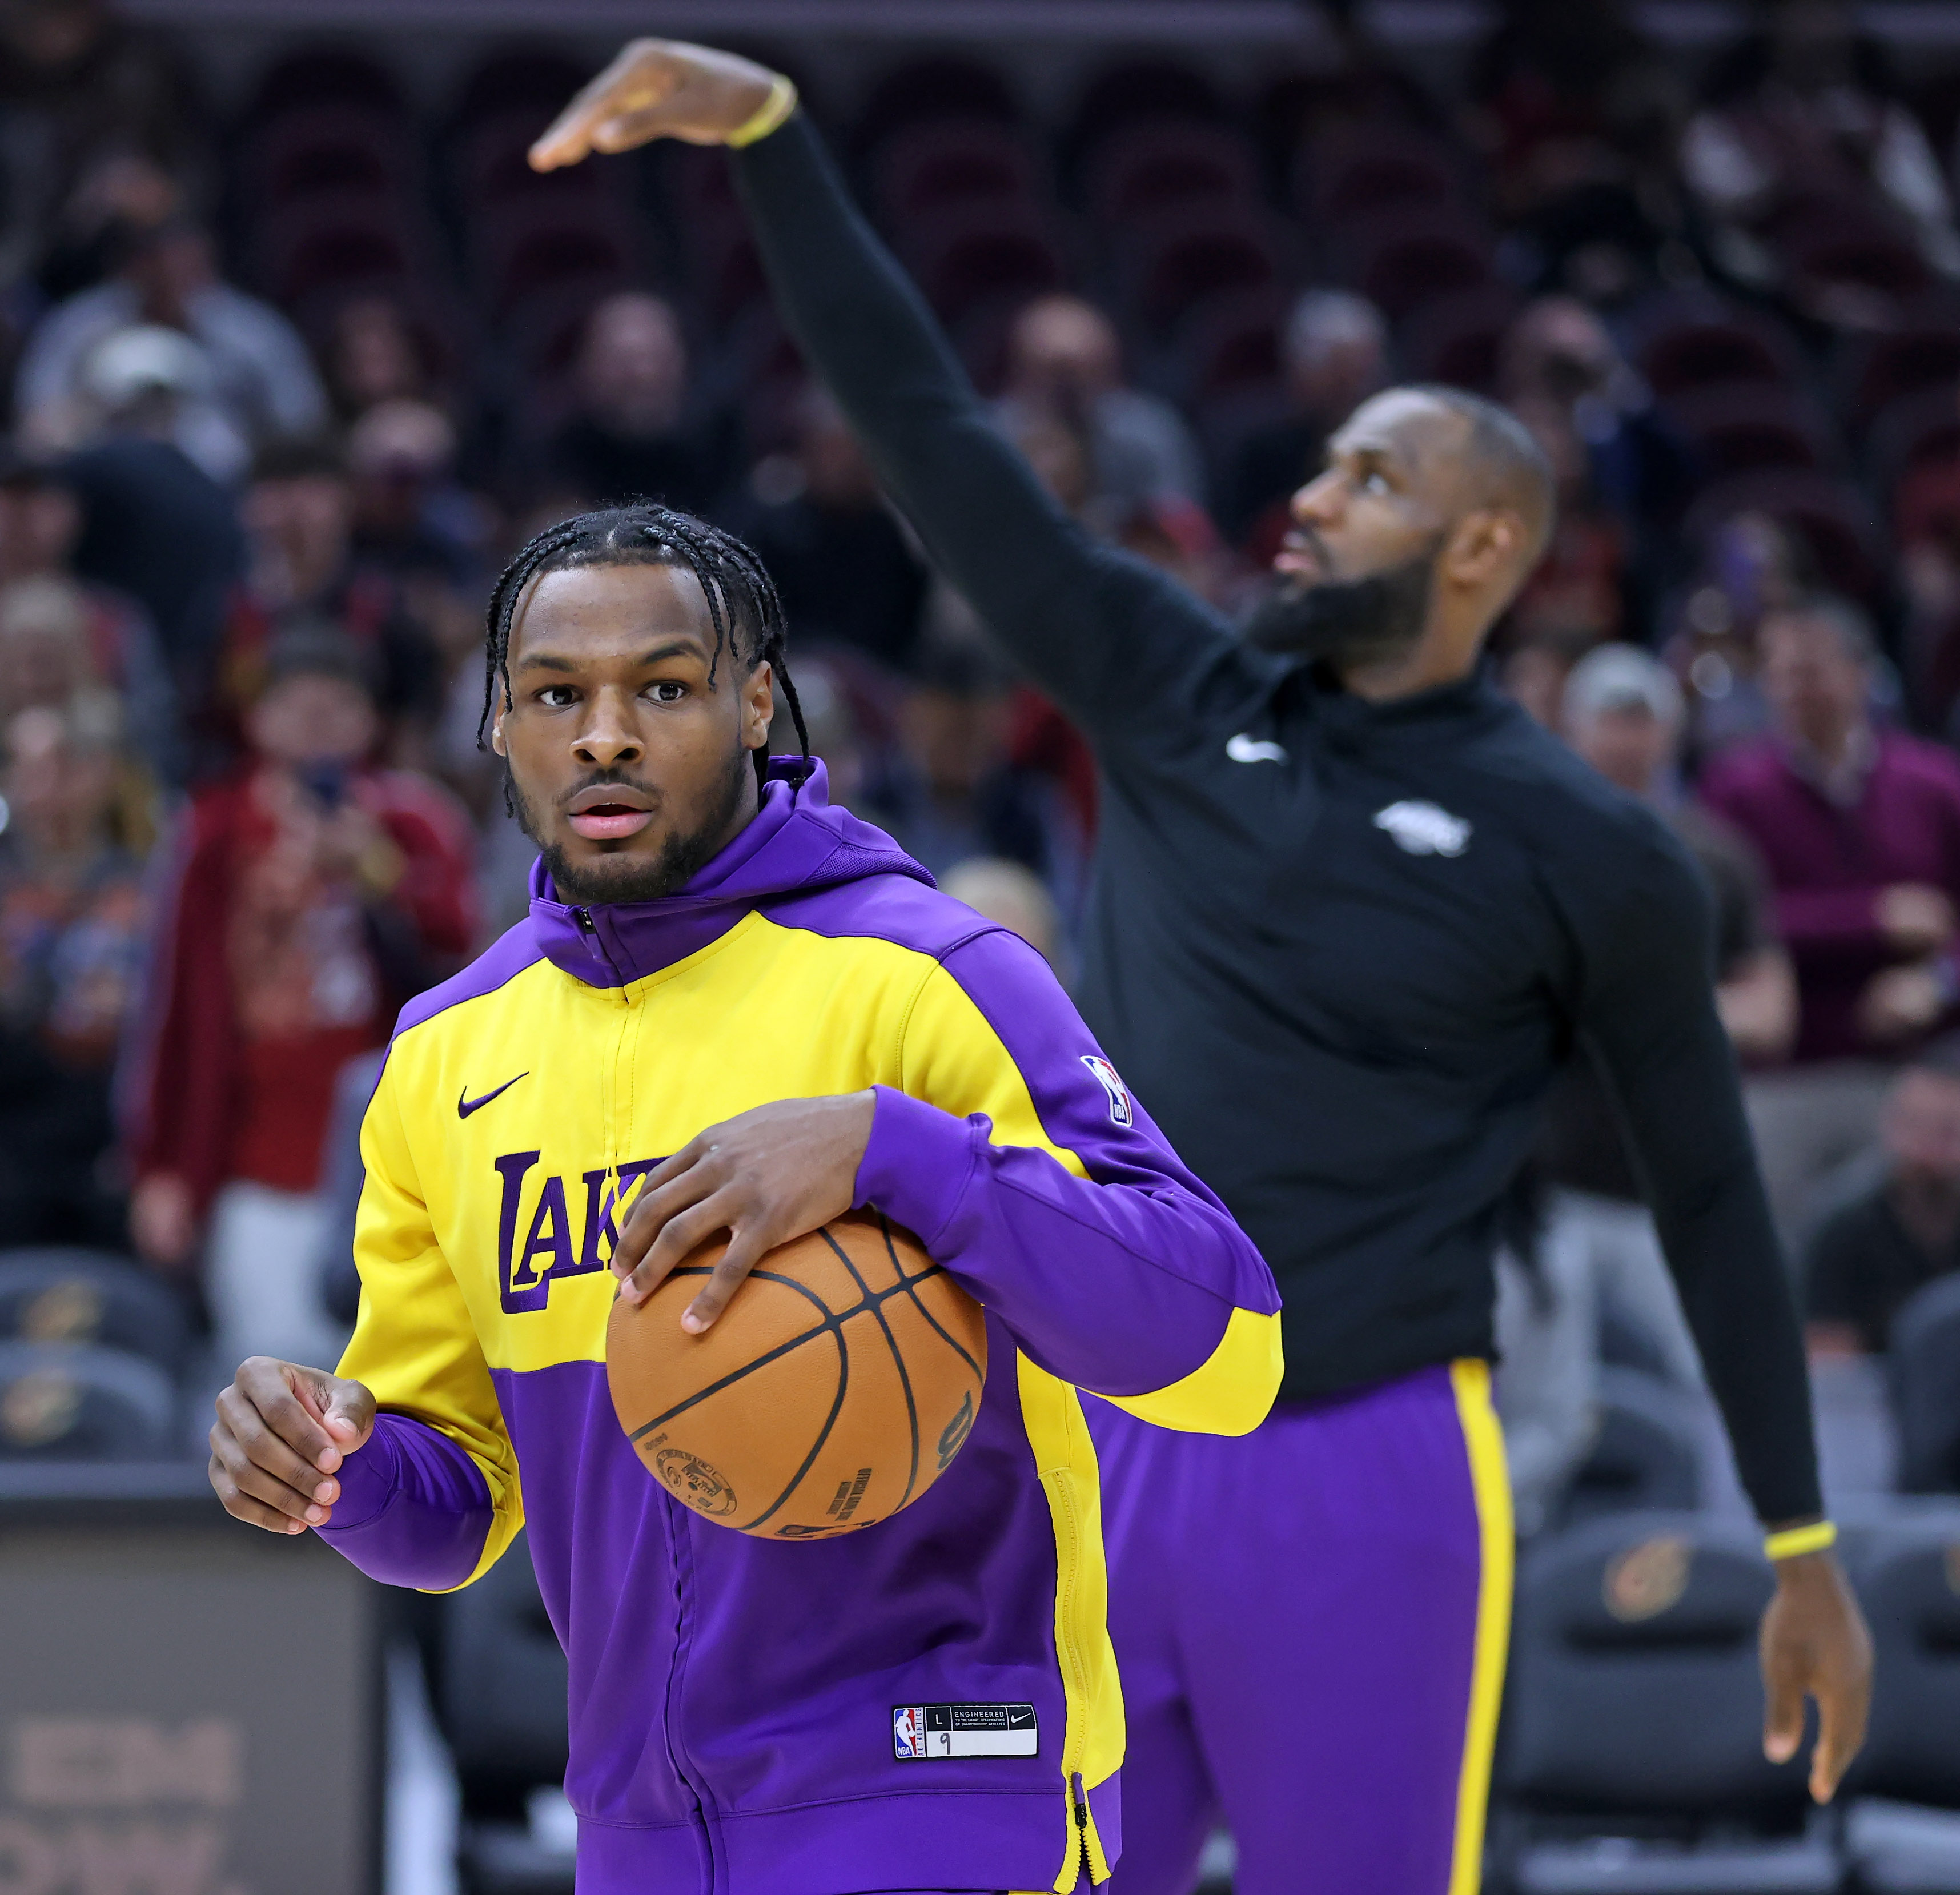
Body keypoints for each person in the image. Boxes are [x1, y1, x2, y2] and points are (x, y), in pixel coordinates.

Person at [529, 43, 1871, 1892]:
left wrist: (1799, 1542)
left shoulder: (1594, 848)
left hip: (1366, 1461)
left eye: (1375, 476)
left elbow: (1712, 1190)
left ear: (1484, 543)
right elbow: (933, 431)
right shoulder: (1175, 684)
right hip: (1088, 1449)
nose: (1312, 499)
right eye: (1323, 462)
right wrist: (771, 143)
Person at [203, 501, 1283, 1895]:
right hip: (641, 1837)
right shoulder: (444, 1059)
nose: (605, 734)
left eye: (662, 687)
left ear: (756, 703)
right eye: (555, 695)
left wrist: (903, 1153)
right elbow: (456, 1507)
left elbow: (1228, 1346)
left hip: (940, 1795)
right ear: (494, 726)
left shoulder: (928, 975)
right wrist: (328, 1463)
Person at [1499, 645, 1796, 1529]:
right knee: (1542, 1413)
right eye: (1610, 718)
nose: (1627, 738)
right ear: (1574, 729)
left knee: (1700, 1392)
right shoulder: (1533, 843)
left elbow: (1769, 1010)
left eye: (1643, 718)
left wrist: (1638, 1005)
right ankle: (1531, 1592)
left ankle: (1714, 1564)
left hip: (1673, 1190)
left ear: (1670, 731)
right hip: (1547, 1189)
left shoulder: (1717, 855)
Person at [124, 639, 475, 1372]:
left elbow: (470, 972)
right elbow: (173, 1007)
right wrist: (162, 1166)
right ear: (260, 720)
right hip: (257, 1161)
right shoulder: (214, 833)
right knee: (278, 1377)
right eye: (298, 707)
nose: (316, 727)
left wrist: (380, 878)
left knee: (400, 1383)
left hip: (400, 1168)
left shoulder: (414, 824)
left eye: (335, 707)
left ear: (366, 721)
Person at [1700, 595, 1960, 1242]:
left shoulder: (1932, 783)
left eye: (1811, 671)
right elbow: (1729, 925)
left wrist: (1941, 982)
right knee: (1785, 1258)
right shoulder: (1734, 789)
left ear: (1861, 675)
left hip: (1917, 1076)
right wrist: (1869, 920)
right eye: (1781, 674)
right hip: (1789, 1078)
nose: (1795, 691)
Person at [0, 697, 153, 1248]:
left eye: (63, 764)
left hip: (114, 1135)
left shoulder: (149, 886)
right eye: (27, 767)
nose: (45, 785)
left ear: (102, 775)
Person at [17, 216, 327, 483]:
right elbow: (36, 423)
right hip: (101, 481)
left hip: (230, 486)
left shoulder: (255, 332)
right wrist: (95, 412)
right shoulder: (78, 325)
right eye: (160, 268)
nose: (174, 281)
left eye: (187, 269)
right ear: (133, 268)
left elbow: (301, 426)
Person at [726, 382, 926, 671]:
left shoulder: (891, 537)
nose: (846, 464)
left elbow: (902, 632)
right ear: (808, 449)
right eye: (833, 449)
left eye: (855, 451)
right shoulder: (773, 528)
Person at [1805, 1038, 1960, 1357]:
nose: (1924, 1153)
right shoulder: (1843, 1227)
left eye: (1947, 1133)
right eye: (1912, 1126)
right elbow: (1827, 1355)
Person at [995, 293, 1204, 529]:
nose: (1066, 391)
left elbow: (1181, 528)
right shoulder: (991, 437)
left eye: (1080, 372)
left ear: (1110, 369)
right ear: (1020, 370)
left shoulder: (1150, 432)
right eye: (1051, 372)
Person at [1222, 289, 1389, 553]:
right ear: (1298, 369)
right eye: (1334, 368)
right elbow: (1238, 546)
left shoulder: (1390, 449)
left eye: (1357, 369)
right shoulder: (1261, 450)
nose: (1346, 385)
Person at [544, 290, 736, 515]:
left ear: (680, 362)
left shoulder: (722, 444)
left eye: (648, 357)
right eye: (619, 360)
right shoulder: (561, 454)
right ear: (585, 367)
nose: (637, 375)